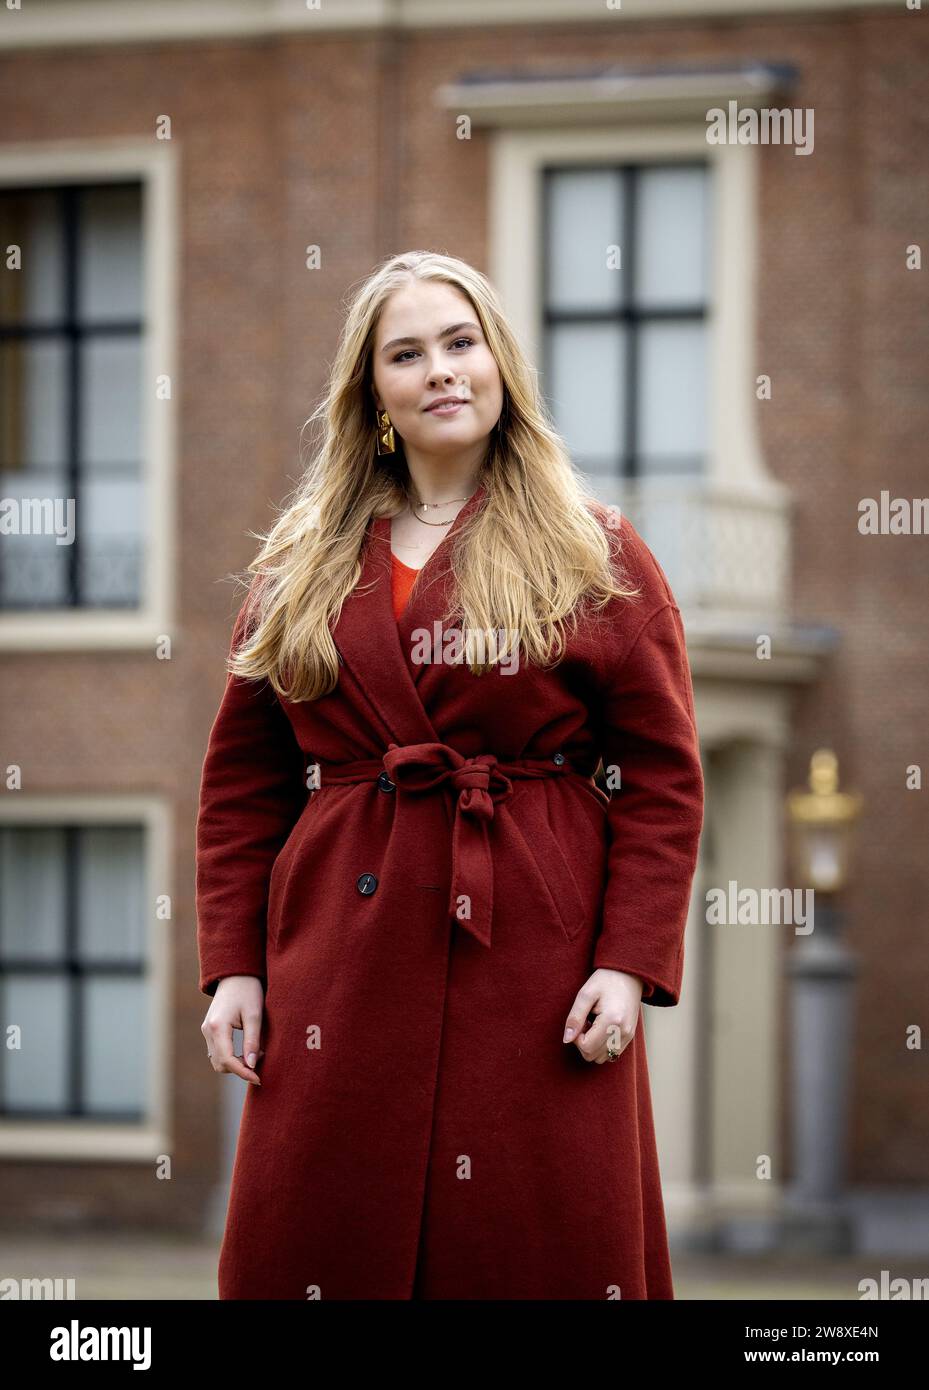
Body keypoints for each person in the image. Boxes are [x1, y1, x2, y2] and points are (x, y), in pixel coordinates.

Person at [196, 249, 705, 1300]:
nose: (439, 369)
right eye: (406, 352)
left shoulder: (592, 550)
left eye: (460, 342)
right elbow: (243, 784)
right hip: (340, 950)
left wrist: (627, 959)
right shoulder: (300, 564)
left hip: (536, 953)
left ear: (499, 364)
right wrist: (233, 967)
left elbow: (661, 777)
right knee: (323, 1232)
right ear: (370, 390)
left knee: (531, 1236)